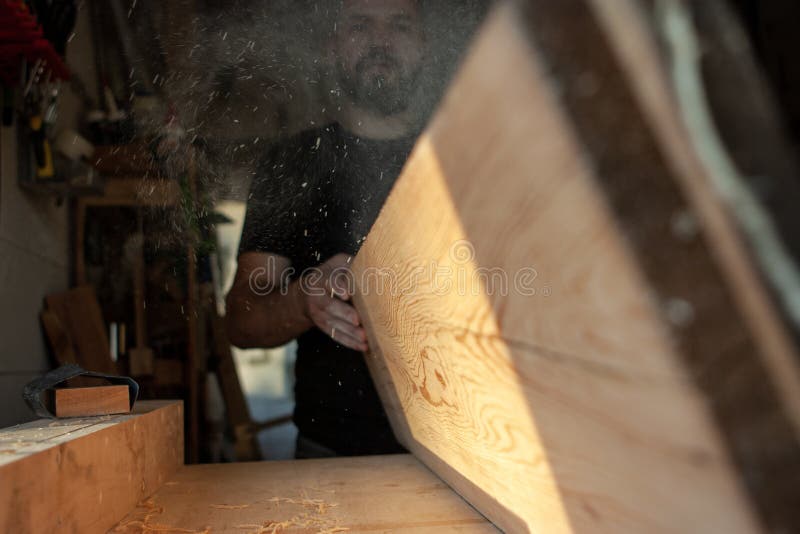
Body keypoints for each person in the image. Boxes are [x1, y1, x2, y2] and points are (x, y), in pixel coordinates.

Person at [226, 0, 426, 458]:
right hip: (329, 454)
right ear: (333, 45)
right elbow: (241, 320)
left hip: (466, 452)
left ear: (424, 46)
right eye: (360, 24)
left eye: (399, 24)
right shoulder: (293, 162)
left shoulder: (457, 159)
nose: (381, 40)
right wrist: (304, 298)